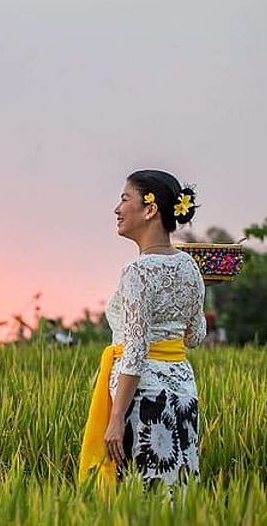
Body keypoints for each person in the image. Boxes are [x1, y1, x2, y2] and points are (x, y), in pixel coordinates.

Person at [78, 169, 206, 491]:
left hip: (143, 399)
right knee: (177, 491)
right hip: (182, 393)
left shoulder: (138, 271)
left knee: (138, 497)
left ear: (150, 210)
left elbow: (135, 353)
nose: (117, 209)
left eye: (124, 199)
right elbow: (195, 336)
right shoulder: (191, 267)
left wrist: (116, 419)